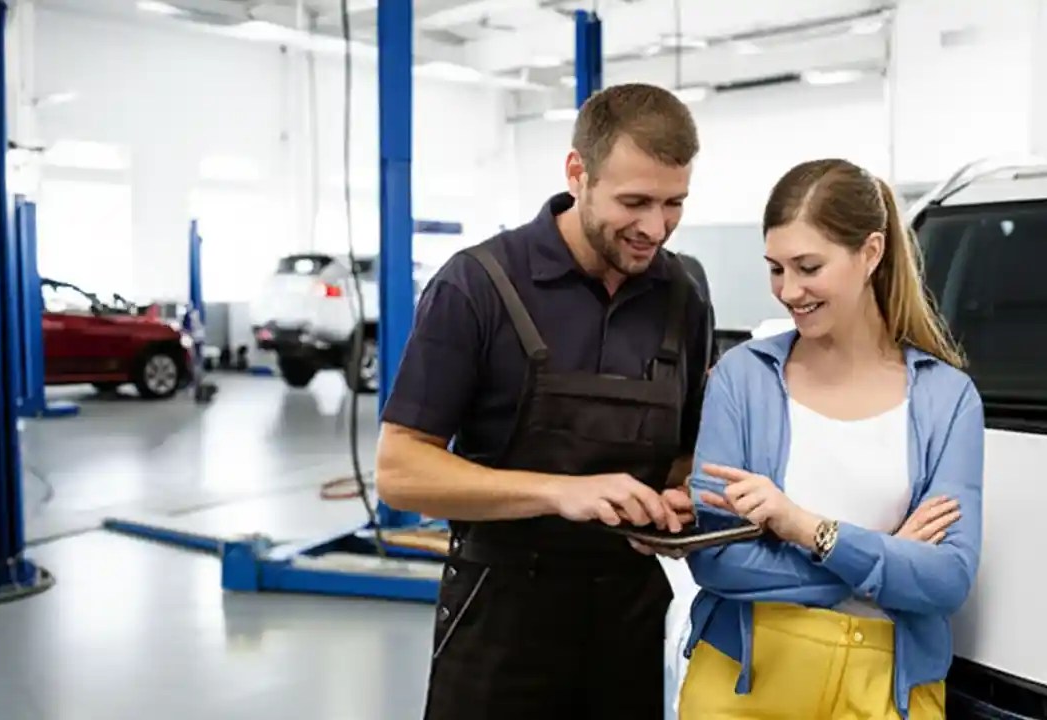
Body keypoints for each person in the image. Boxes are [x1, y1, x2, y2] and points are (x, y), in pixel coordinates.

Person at [374, 83, 714, 720]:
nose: (655, 228)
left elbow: (683, 454)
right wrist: (560, 492)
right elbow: (400, 471)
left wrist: (680, 496)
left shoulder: (683, 296)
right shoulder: (476, 286)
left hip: (630, 620)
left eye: (674, 204)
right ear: (577, 173)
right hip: (500, 619)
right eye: (635, 202)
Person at [676, 158, 984, 720]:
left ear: (870, 253)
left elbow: (946, 582)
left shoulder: (947, 399)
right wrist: (883, 560)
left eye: (808, 267)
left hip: (886, 689)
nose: (788, 291)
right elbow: (716, 559)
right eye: (776, 269)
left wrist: (805, 528)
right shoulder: (742, 379)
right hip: (744, 683)